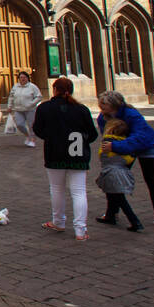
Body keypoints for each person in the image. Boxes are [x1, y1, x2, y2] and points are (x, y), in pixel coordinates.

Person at [31, 76, 99, 241]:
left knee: (56, 189)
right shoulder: (81, 109)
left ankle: (59, 222)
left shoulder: (45, 108)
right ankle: (80, 231)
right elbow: (93, 133)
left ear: (54, 90)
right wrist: (82, 142)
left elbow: (38, 130)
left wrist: (52, 137)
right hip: (77, 154)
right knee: (79, 191)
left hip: (55, 153)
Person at [96, 90, 154, 231]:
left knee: (153, 181)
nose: (101, 106)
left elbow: (139, 137)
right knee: (112, 177)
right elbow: (106, 135)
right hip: (123, 147)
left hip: (146, 146)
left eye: (104, 103)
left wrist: (115, 146)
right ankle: (112, 214)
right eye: (100, 103)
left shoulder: (131, 114)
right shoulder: (102, 118)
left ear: (114, 104)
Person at [94, 118, 143, 231]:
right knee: (112, 195)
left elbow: (102, 155)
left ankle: (135, 222)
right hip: (122, 171)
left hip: (111, 172)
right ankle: (110, 216)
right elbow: (129, 158)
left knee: (119, 198)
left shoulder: (108, 141)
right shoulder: (125, 142)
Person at [6, 70, 42, 147]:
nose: (22, 79)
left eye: (24, 77)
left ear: (27, 78)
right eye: (21, 77)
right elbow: (11, 97)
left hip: (30, 109)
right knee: (19, 124)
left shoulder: (32, 87)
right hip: (18, 109)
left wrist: (31, 104)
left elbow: (39, 97)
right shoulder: (15, 87)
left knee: (31, 125)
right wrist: (9, 106)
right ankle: (27, 135)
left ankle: (32, 140)